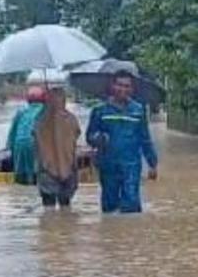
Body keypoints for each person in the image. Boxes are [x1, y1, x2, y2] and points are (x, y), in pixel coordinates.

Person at [86, 71, 158, 214]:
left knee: (131, 205)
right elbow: (89, 136)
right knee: (109, 205)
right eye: (119, 85)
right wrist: (98, 138)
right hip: (108, 164)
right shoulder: (100, 110)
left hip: (131, 165)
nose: (123, 89)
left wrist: (152, 163)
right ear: (112, 86)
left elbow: (145, 138)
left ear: (132, 89)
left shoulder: (138, 110)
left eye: (127, 86)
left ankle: (129, 234)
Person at [33, 81, 82, 208]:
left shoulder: (40, 119)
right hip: (65, 168)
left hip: (49, 169)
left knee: (49, 210)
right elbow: (77, 134)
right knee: (65, 208)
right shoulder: (71, 118)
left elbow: (34, 136)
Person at [6, 84, 46, 185]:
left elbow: (12, 135)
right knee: (38, 178)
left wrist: (10, 149)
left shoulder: (21, 111)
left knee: (21, 178)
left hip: (19, 145)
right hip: (37, 146)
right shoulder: (47, 111)